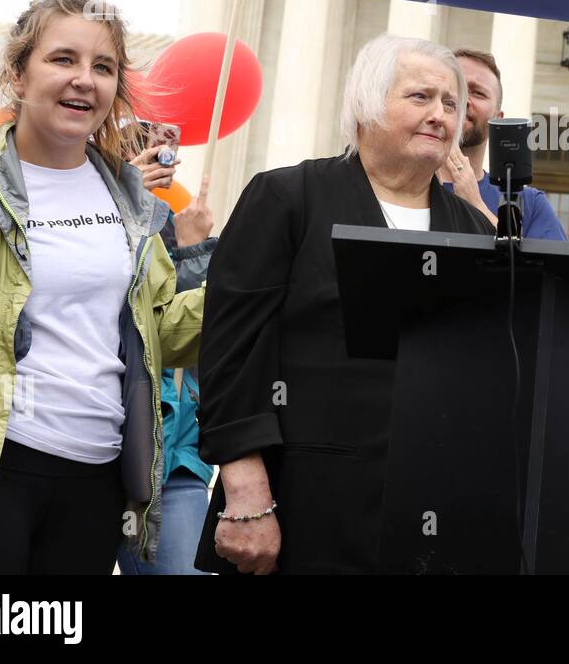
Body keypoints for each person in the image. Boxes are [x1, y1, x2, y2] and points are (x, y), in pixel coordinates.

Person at [195, 34, 494, 574]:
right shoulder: (289, 198)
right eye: (420, 97)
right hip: (301, 510)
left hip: (430, 519)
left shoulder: (471, 229)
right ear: (366, 104)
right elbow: (231, 354)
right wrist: (246, 494)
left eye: (451, 103)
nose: (440, 115)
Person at [0, 0, 204, 574]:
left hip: (98, 481)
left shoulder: (128, 202)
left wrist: (252, 285)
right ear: (18, 74)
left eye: (103, 67)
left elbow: (159, 331)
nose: (85, 79)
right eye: (63, 59)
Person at [116, 138, 217, 576]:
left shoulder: (177, 223)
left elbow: (178, 329)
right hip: (91, 449)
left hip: (174, 460)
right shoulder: (73, 210)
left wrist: (194, 248)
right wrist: (120, 200)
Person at [438, 48, 568, 240]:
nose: (465, 99)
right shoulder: (405, 188)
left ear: (497, 119)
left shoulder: (529, 203)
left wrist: (476, 206)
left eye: (478, 93)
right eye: (457, 89)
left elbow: (552, 268)